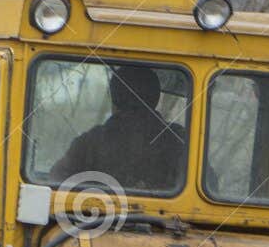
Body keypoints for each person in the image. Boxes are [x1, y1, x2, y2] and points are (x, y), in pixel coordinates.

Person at [48, 65, 187, 192]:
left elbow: (56, 183)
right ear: (155, 99)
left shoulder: (89, 143)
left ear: (113, 99)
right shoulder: (178, 141)